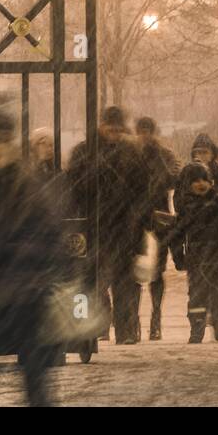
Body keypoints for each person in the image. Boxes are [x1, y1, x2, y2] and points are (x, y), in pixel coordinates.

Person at [0, 106, 69, 407]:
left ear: (10, 146)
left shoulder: (27, 187)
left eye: (0, 142)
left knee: (33, 378)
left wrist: (10, 252)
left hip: (22, 294)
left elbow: (49, 240)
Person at [66, 105, 151, 344]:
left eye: (117, 128)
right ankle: (96, 328)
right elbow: (75, 187)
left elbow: (143, 189)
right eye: (110, 128)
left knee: (123, 282)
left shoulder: (128, 152)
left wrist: (137, 217)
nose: (114, 132)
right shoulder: (88, 151)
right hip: (98, 225)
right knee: (95, 280)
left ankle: (123, 330)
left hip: (122, 226)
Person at [165, 162, 218, 342]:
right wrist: (178, 257)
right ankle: (197, 328)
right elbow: (177, 235)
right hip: (197, 259)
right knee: (197, 295)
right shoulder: (186, 208)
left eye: (205, 180)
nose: (201, 184)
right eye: (195, 181)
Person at [136, 116, 178, 340]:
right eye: (141, 131)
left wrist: (158, 158)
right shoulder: (130, 153)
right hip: (135, 220)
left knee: (157, 272)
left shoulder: (166, 155)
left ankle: (155, 317)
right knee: (133, 271)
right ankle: (133, 319)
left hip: (159, 219)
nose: (144, 135)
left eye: (148, 131)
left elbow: (173, 178)